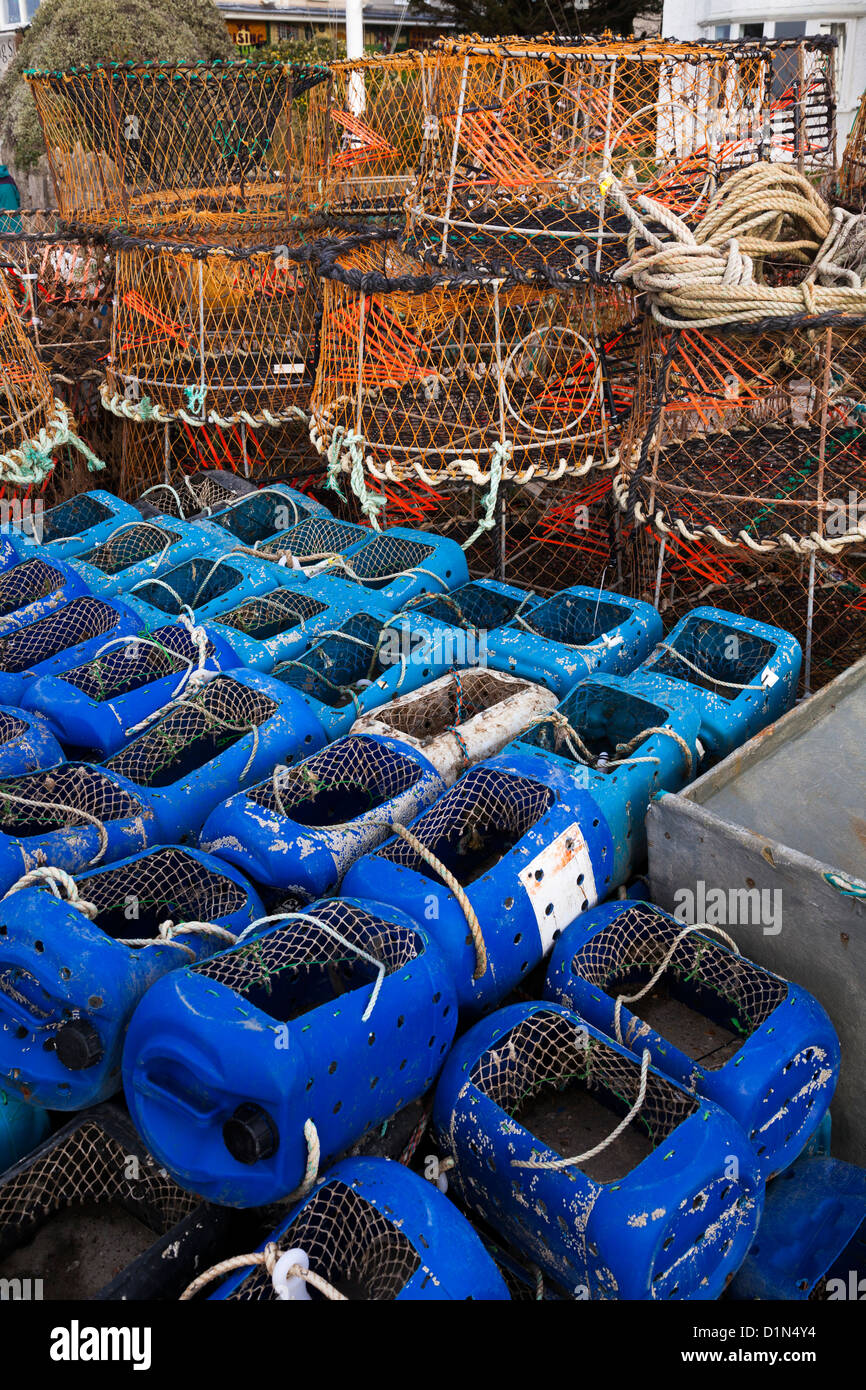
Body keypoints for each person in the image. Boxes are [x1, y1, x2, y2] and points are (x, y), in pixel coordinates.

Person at [0, 163, 22, 234]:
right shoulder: (10, 179)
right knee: (16, 240)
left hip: (1, 220)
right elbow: (17, 197)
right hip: (14, 216)